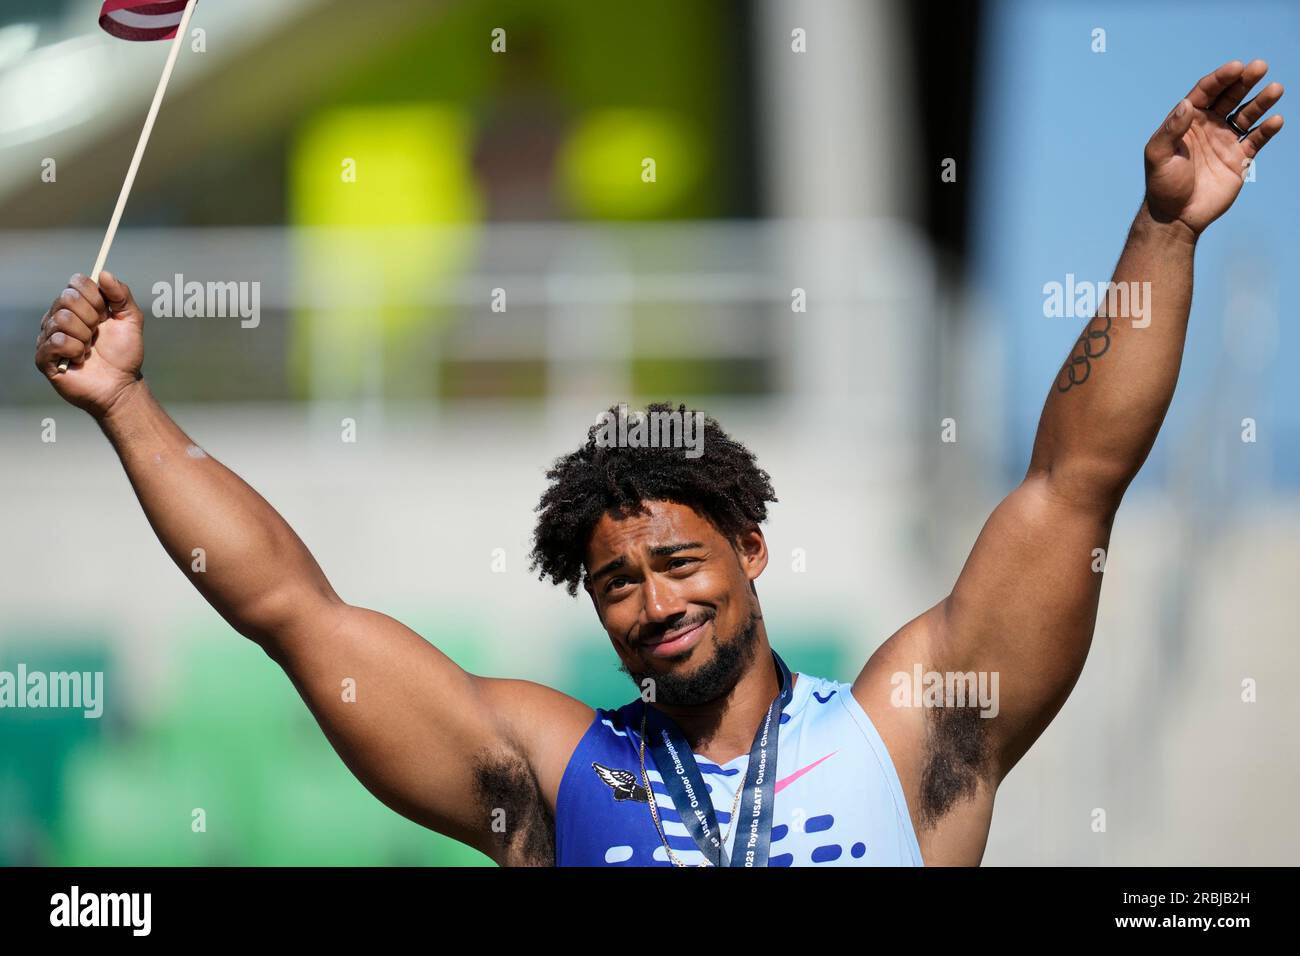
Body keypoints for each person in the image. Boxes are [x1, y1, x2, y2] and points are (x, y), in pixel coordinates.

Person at [31, 61, 1284, 866]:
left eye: (678, 559)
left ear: (749, 549)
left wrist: (1161, 230)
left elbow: (1073, 481)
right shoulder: (554, 770)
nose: (653, 602)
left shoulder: (909, 731)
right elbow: (291, 611)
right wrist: (127, 405)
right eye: (616, 580)